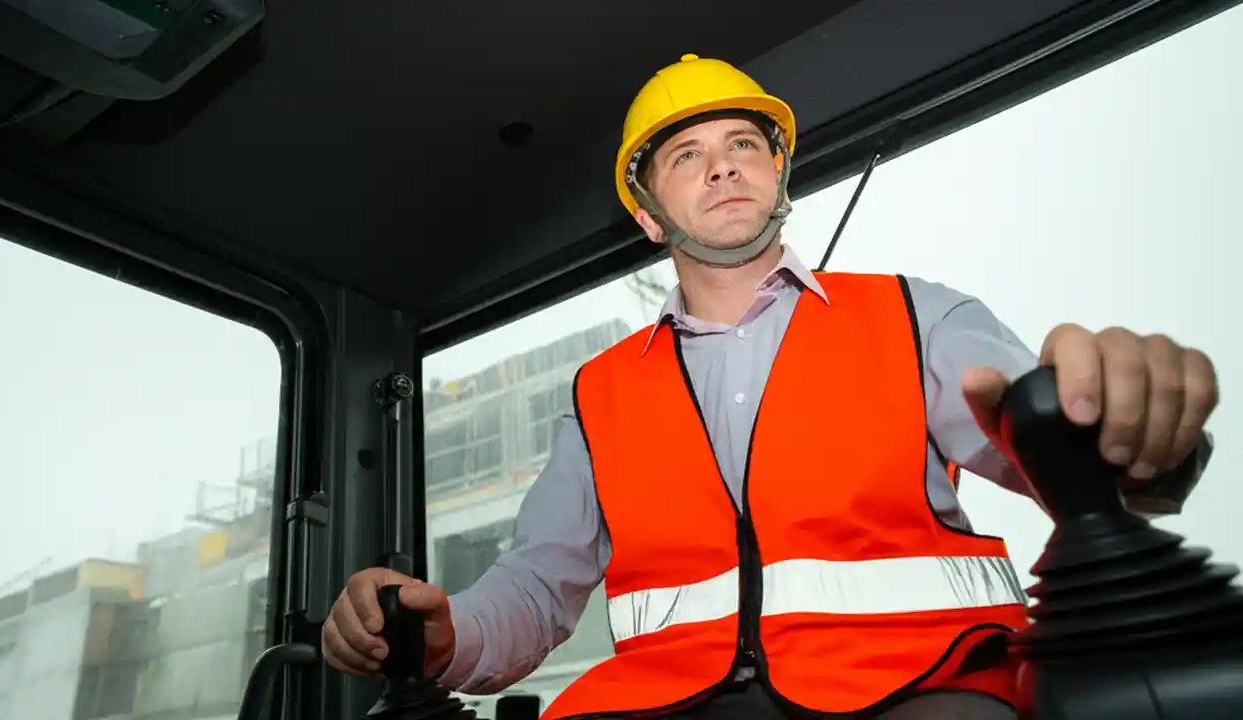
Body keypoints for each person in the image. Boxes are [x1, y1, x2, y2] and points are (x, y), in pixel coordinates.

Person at [322, 54, 1220, 718]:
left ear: (777, 176)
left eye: (744, 143)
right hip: (660, 704)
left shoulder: (919, 318)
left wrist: (1134, 429)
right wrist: (445, 636)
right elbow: (536, 587)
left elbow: (1074, 459)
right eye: (686, 155)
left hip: (927, 692)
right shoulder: (601, 391)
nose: (722, 164)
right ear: (647, 215)